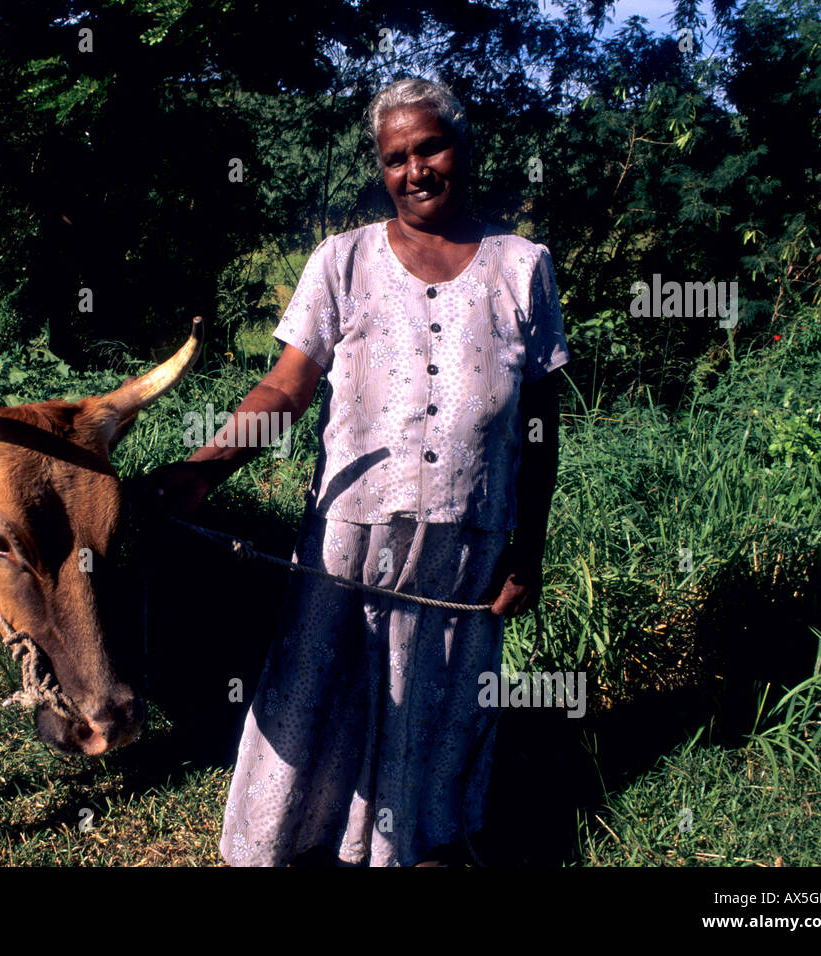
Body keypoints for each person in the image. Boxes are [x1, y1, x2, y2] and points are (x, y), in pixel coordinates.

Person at [146, 77, 570, 866]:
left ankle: (423, 840)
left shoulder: (522, 268)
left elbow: (541, 425)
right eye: (395, 157)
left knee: (440, 704)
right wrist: (206, 471)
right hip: (348, 533)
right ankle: (286, 846)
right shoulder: (342, 262)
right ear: (381, 168)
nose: (415, 169)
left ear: (462, 148)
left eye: (430, 147)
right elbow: (285, 386)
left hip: (466, 542)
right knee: (315, 691)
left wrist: (529, 546)